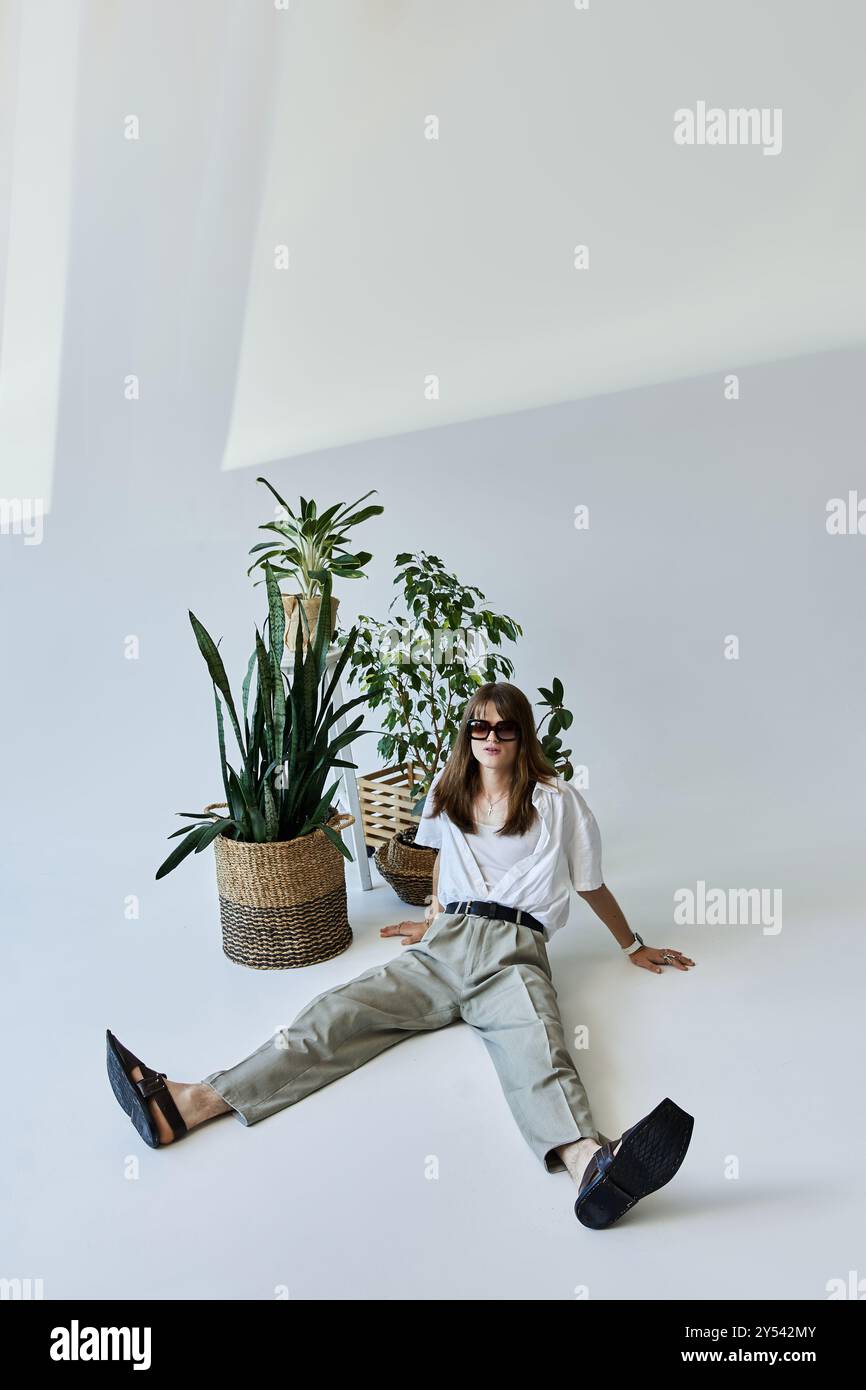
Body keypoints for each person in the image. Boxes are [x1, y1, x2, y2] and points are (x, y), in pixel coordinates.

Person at [106, 681, 695, 1229]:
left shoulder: (559, 801)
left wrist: (634, 945)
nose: (490, 739)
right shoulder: (449, 790)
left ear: (523, 735)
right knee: (336, 1012)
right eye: (479, 728)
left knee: (537, 1048)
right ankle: (189, 1104)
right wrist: (434, 914)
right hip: (443, 948)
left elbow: (589, 882)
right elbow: (443, 856)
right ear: (467, 735)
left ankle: (589, 1166)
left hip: (514, 954)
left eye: (504, 729)